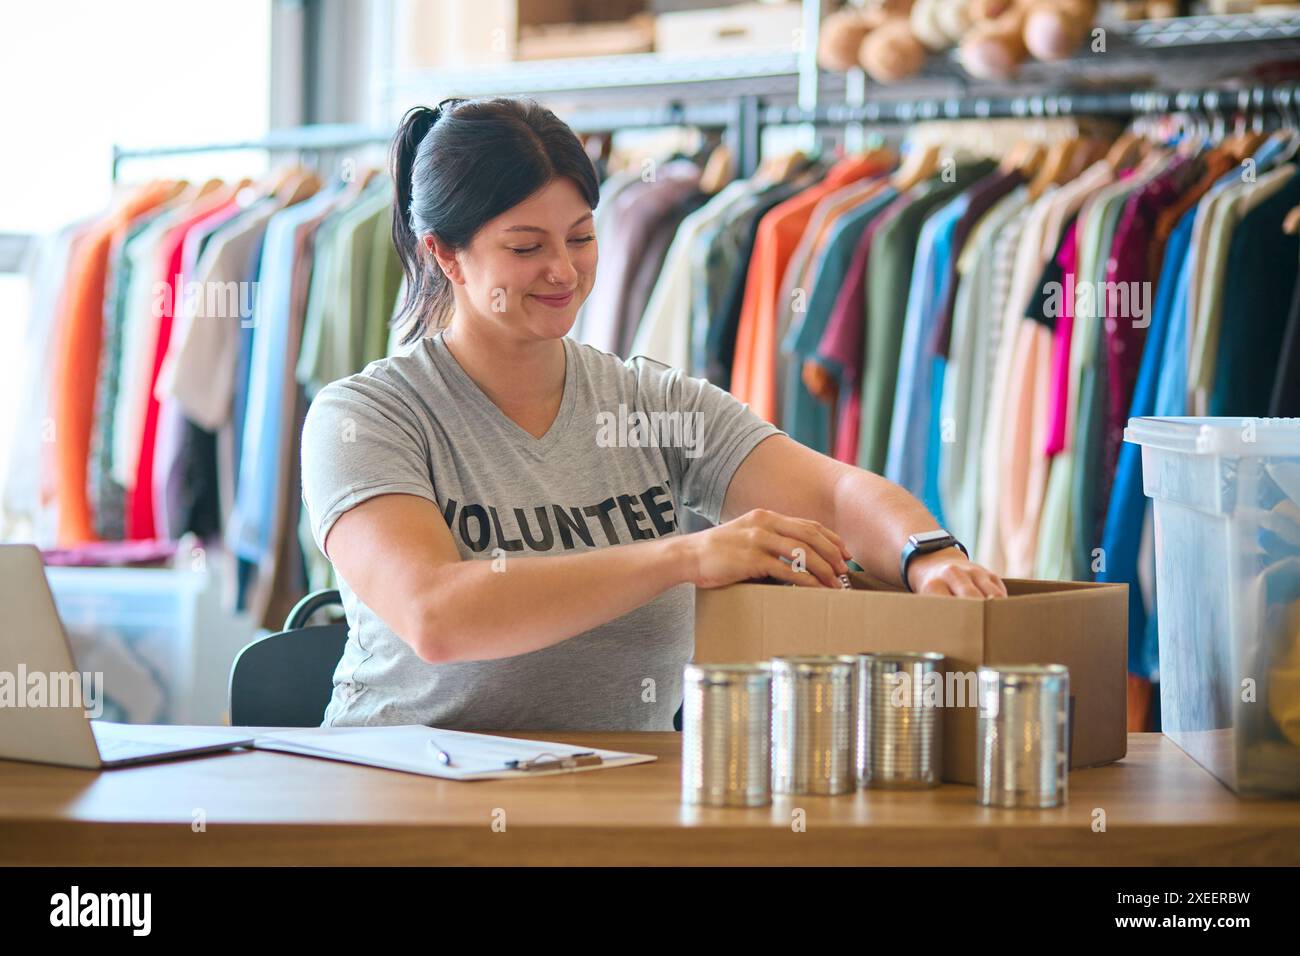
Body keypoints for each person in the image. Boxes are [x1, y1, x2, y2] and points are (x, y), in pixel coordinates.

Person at [300, 96, 1008, 731]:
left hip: (611, 799)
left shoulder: (650, 403)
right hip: (401, 792)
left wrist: (927, 553)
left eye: (580, 237)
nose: (563, 271)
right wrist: (684, 556)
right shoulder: (366, 418)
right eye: (526, 247)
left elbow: (834, 493)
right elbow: (437, 616)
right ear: (445, 256)